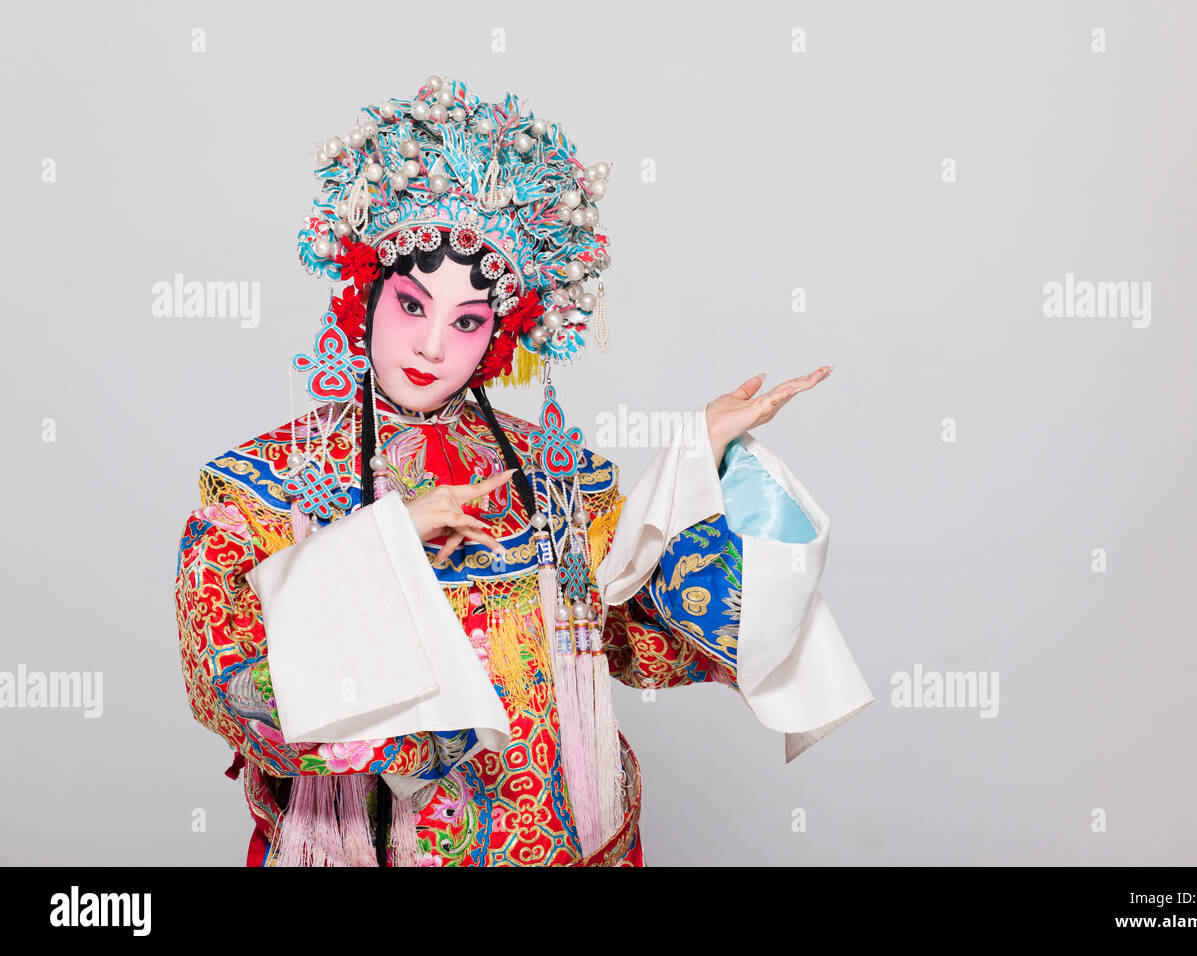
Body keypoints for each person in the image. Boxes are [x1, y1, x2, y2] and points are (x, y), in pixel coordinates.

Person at [174, 74, 874, 866]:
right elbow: (225, 673)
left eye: (466, 320)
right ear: (365, 292)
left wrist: (700, 461)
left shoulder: (553, 477)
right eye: (411, 305)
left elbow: (640, 631)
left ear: (499, 337)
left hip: (559, 837)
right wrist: (387, 537)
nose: (433, 345)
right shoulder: (261, 486)